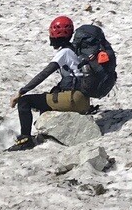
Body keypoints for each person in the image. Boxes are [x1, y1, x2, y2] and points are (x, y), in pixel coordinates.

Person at [6, 17, 92, 151]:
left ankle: (25, 140)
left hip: (74, 99)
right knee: (47, 99)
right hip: (83, 100)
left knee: (25, 102)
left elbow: (44, 74)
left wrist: (21, 92)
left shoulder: (64, 53)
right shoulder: (74, 50)